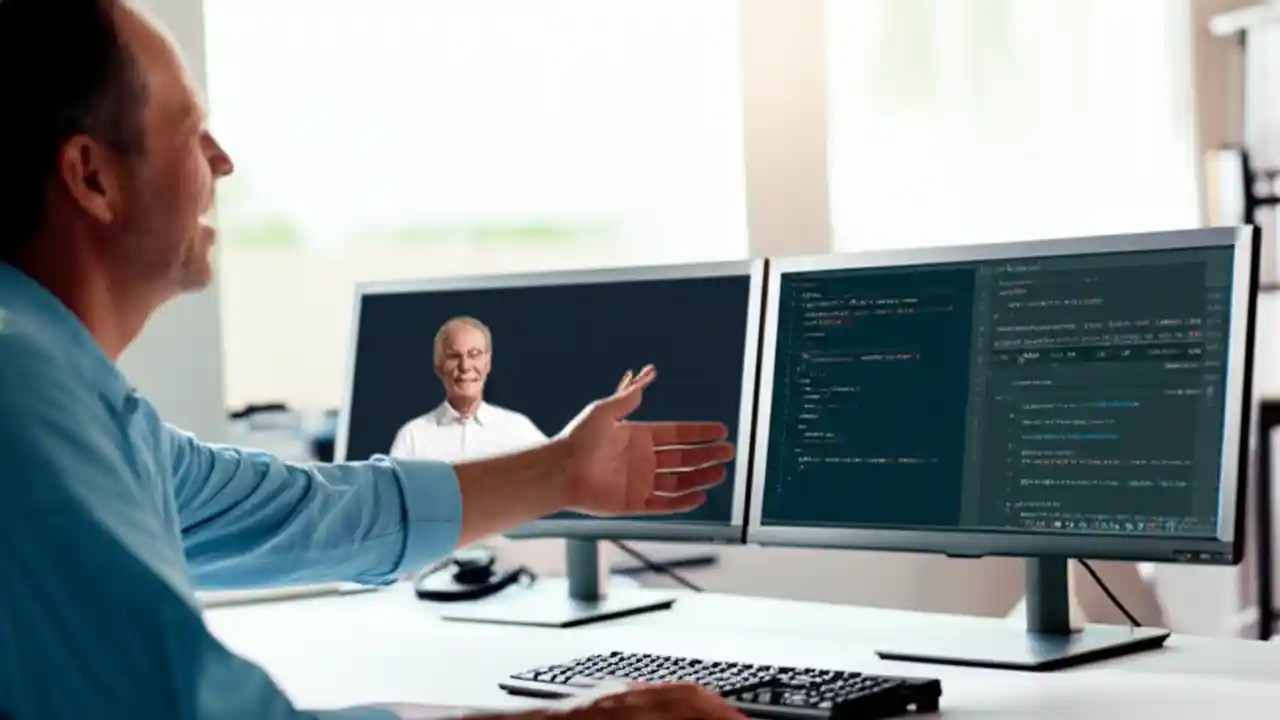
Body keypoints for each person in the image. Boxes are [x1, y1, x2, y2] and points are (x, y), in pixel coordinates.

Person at [0, 2, 743, 719]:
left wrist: (561, 471)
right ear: (93, 177)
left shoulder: (73, 396)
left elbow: (308, 514)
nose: (222, 161)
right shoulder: (22, 393)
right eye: (189, 130)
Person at [390, 315, 654, 463]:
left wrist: (606, 418)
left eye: (474, 354)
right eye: (453, 356)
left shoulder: (515, 428)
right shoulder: (413, 437)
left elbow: (563, 461)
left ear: (487, 363)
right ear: (438, 366)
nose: (465, 365)